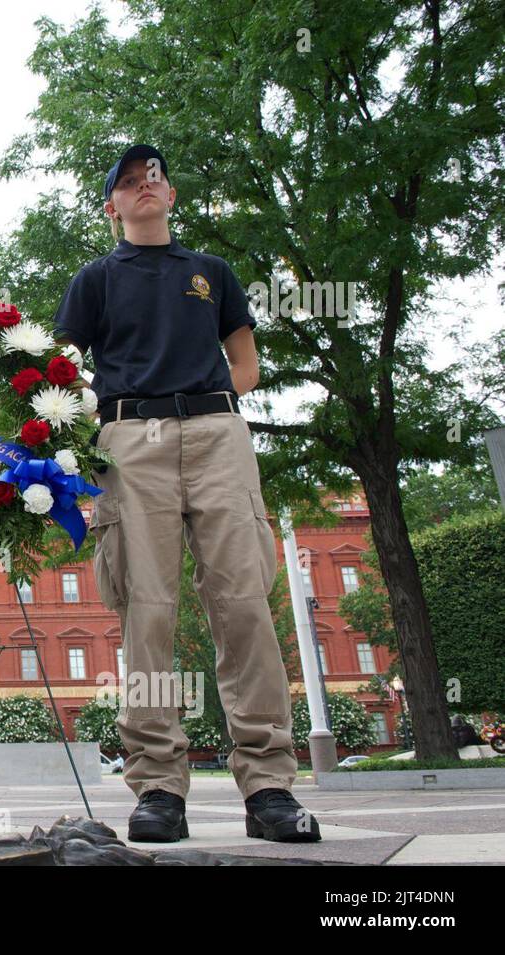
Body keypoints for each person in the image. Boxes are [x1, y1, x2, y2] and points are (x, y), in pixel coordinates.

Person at [53, 145, 321, 844]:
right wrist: (103, 416)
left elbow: (247, 362)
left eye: (157, 178)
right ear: (111, 206)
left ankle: (268, 785)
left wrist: (208, 401)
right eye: (130, 181)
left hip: (215, 432)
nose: (147, 185)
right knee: (149, 610)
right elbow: (62, 371)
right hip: (131, 438)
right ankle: (158, 786)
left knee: (243, 604)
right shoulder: (94, 280)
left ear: (172, 197)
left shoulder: (211, 273)